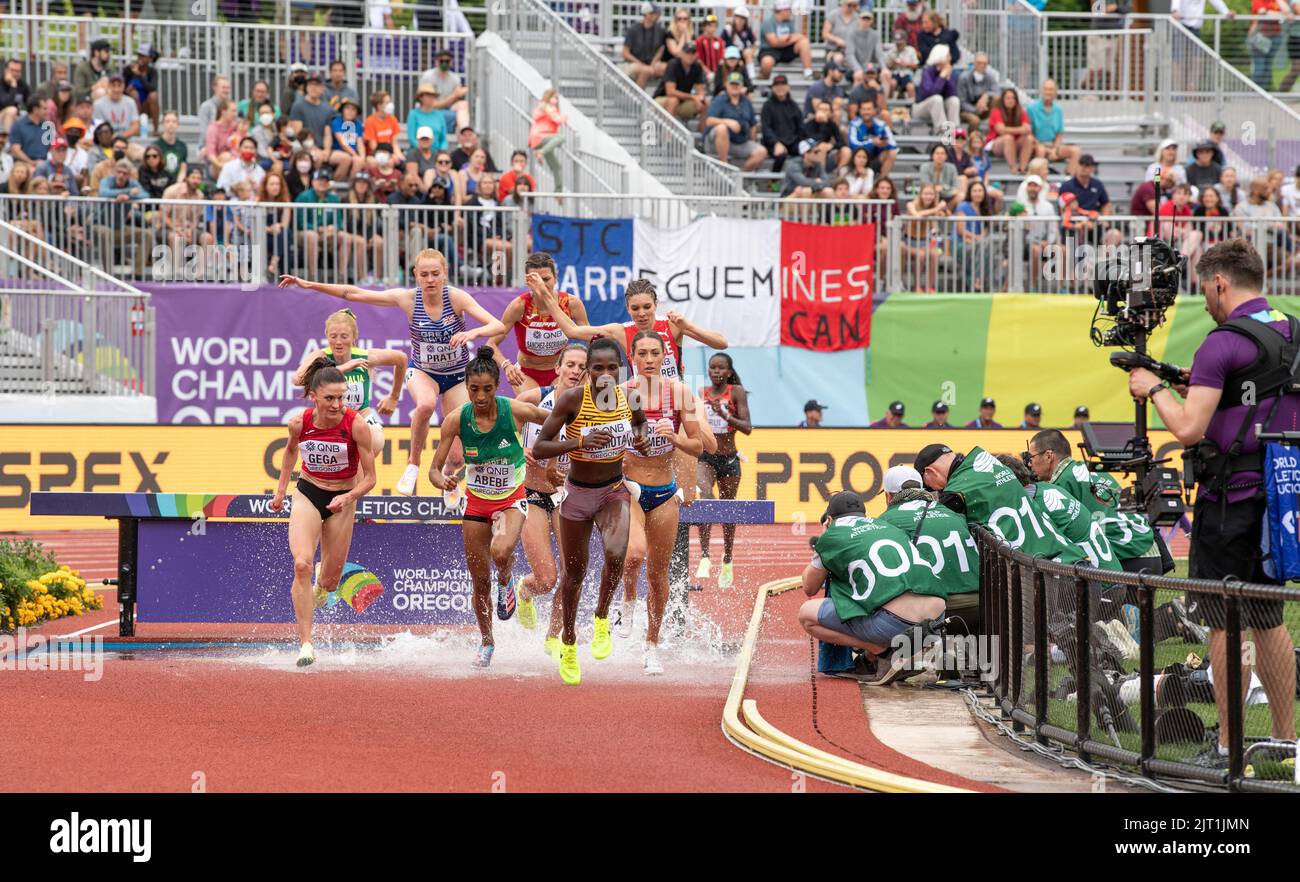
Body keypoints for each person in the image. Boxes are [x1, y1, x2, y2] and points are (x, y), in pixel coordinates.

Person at [1125, 237, 1299, 766]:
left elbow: (1187, 426)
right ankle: (1285, 741)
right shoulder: (1291, 330)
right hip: (1279, 492)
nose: (1203, 301)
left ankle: (1227, 744)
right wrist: (1187, 378)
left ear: (1221, 282)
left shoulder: (1221, 342)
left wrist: (1154, 388)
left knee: (1226, 621)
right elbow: (1255, 391)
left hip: (1230, 500)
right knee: (1269, 616)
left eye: (1204, 290)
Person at [278, 249, 506, 502]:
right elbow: (352, 293)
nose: (430, 280)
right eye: (424, 275)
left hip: (456, 375)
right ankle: (413, 465)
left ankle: (450, 474)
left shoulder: (456, 298)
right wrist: (307, 283)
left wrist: (471, 334)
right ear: (415, 276)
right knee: (425, 405)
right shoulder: (408, 299)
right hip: (424, 372)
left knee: (457, 451)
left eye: (435, 274)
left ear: (445, 274)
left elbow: (497, 325)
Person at [531, 338, 650, 685]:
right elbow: (540, 447)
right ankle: (568, 642)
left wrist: (640, 438)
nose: (605, 374)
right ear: (587, 372)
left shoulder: (630, 399)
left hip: (613, 490)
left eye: (612, 368)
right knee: (574, 575)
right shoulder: (571, 400)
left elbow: (640, 423)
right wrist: (579, 442)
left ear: (621, 369)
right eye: (597, 368)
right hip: (577, 495)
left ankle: (601, 618)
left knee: (616, 554)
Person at [427, 347, 548, 668]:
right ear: (466, 388)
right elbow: (434, 470)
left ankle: (507, 579)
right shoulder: (456, 420)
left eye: (487, 390)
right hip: (477, 504)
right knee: (479, 581)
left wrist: (554, 448)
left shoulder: (513, 410)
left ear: (497, 388)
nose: (480, 396)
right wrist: (443, 481)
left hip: (511, 500)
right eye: (474, 389)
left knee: (499, 551)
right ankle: (487, 642)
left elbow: (552, 418)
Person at [269, 358, 377, 667]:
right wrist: (280, 491)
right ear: (314, 396)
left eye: (342, 397)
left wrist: (349, 497)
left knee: (329, 584)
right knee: (302, 563)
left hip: (343, 498)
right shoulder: (299, 423)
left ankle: (322, 585)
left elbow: (370, 479)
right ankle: (305, 644)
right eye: (330, 398)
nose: (337, 404)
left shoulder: (355, 424)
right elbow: (291, 451)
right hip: (308, 493)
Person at [619, 332, 707, 674]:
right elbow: (603, 439)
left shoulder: (679, 393)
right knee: (634, 555)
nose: (650, 359)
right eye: (643, 353)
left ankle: (651, 645)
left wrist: (677, 439)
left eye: (656, 352)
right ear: (634, 357)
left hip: (664, 490)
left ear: (664, 355)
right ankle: (627, 604)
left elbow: (699, 446)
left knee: (658, 575)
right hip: (630, 488)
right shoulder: (620, 393)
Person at [798, 490, 946, 684]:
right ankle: (909, 647)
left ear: (830, 519)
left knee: (806, 615)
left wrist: (826, 535)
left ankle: (881, 652)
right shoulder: (886, 524)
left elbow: (809, 587)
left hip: (896, 622)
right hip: (938, 617)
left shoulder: (833, 534)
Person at [515, 343, 587, 659]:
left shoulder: (592, 409)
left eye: (581, 367)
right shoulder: (534, 399)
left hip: (568, 495)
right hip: (531, 494)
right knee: (546, 579)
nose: (575, 371)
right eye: (569, 364)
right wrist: (520, 452)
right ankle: (525, 591)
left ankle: (553, 636)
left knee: (573, 573)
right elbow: (499, 432)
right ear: (557, 368)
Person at [876, 465, 980, 633]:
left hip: (938, 611)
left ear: (888, 496)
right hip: (980, 605)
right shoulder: (953, 513)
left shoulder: (885, 521)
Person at [293, 308, 407, 459]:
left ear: (354, 337)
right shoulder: (321, 356)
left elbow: (401, 359)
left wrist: (393, 397)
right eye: (333, 336)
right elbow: (298, 379)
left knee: (375, 440)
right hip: (330, 421)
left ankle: (359, 479)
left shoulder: (364, 357)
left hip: (360, 416)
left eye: (344, 336)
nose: (338, 342)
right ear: (327, 337)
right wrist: (341, 368)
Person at [487, 253, 590, 393]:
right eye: (536, 280)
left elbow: (591, 339)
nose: (542, 285)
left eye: (546, 279)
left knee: (561, 409)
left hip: (559, 372)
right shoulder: (519, 306)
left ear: (556, 277)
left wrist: (589, 367)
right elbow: (491, 344)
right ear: (527, 281)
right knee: (532, 411)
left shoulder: (571, 303)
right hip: (526, 374)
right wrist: (507, 366)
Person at [694, 352, 751, 589]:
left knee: (727, 510)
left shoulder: (736, 393)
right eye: (712, 368)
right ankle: (705, 556)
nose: (716, 372)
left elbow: (748, 428)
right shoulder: (701, 393)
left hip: (729, 459)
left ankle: (727, 559)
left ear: (728, 372)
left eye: (721, 368)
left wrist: (724, 415)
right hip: (706, 457)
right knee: (704, 498)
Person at [704, 72, 767, 171]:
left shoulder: (746, 102)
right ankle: (724, 166)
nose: (734, 87)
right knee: (721, 128)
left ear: (742, 86)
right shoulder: (719, 100)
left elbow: (753, 125)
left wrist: (753, 141)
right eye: (732, 84)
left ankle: (739, 176)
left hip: (740, 141)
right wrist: (728, 122)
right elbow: (709, 121)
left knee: (761, 151)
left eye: (737, 84)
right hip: (717, 142)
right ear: (726, 85)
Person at [758, 0, 815, 81]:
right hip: (770, 50)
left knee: (804, 42)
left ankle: (808, 73)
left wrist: (784, 39)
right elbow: (774, 43)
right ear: (782, 11)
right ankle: (763, 84)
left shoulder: (789, 22)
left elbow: (797, 37)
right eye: (788, 10)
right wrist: (789, 38)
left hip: (786, 50)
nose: (790, 13)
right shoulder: (768, 22)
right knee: (767, 62)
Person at [529, 89, 568, 192]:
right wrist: (565, 118)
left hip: (544, 139)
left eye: (556, 98)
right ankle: (541, 152)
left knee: (557, 166)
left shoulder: (543, 107)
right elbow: (557, 119)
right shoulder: (547, 107)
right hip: (541, 137)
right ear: (548, 97)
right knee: (561, 138)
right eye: (553, 97)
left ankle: (558, 191)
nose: (555, 100)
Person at [988, 87, 1033, 176]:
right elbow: (1001, 130)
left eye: (1013, 98)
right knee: (1008, 138)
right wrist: (1020, 130)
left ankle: (1023, 168)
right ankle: (1013, 168)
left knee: (1029, 138)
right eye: (1008, 98)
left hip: (1014, 144)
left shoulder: (1020, 111)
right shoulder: (996, 111)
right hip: (996, 144)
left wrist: (1007, 130)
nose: (1011, 100)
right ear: (1003, 100)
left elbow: (1027, 129)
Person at [623, 2, 668, 88]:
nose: (658, 15)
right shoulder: (633, 29)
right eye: (655, 13)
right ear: (647, 14)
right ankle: (638, 99)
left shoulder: (660, 30)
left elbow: (661, 49)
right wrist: (641, 64)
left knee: (667, 68)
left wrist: (653, 63)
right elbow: (625, 53)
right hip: (634, 63)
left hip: (652, 64)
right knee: (646, 71)